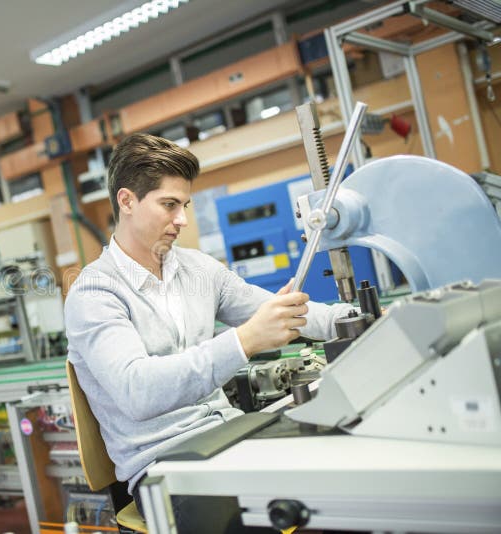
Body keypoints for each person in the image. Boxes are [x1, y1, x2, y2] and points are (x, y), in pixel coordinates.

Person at [64, 133, 352, 533]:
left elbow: (281, 313)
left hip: (227, 434)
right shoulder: (94, 292)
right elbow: (137, 391)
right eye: (169, 205)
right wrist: (245, 340)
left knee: (347, 469)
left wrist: (359, 317)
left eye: (185, 205)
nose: (182, 219)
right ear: (126, 201)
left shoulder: (198, 270)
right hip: (162, 468)